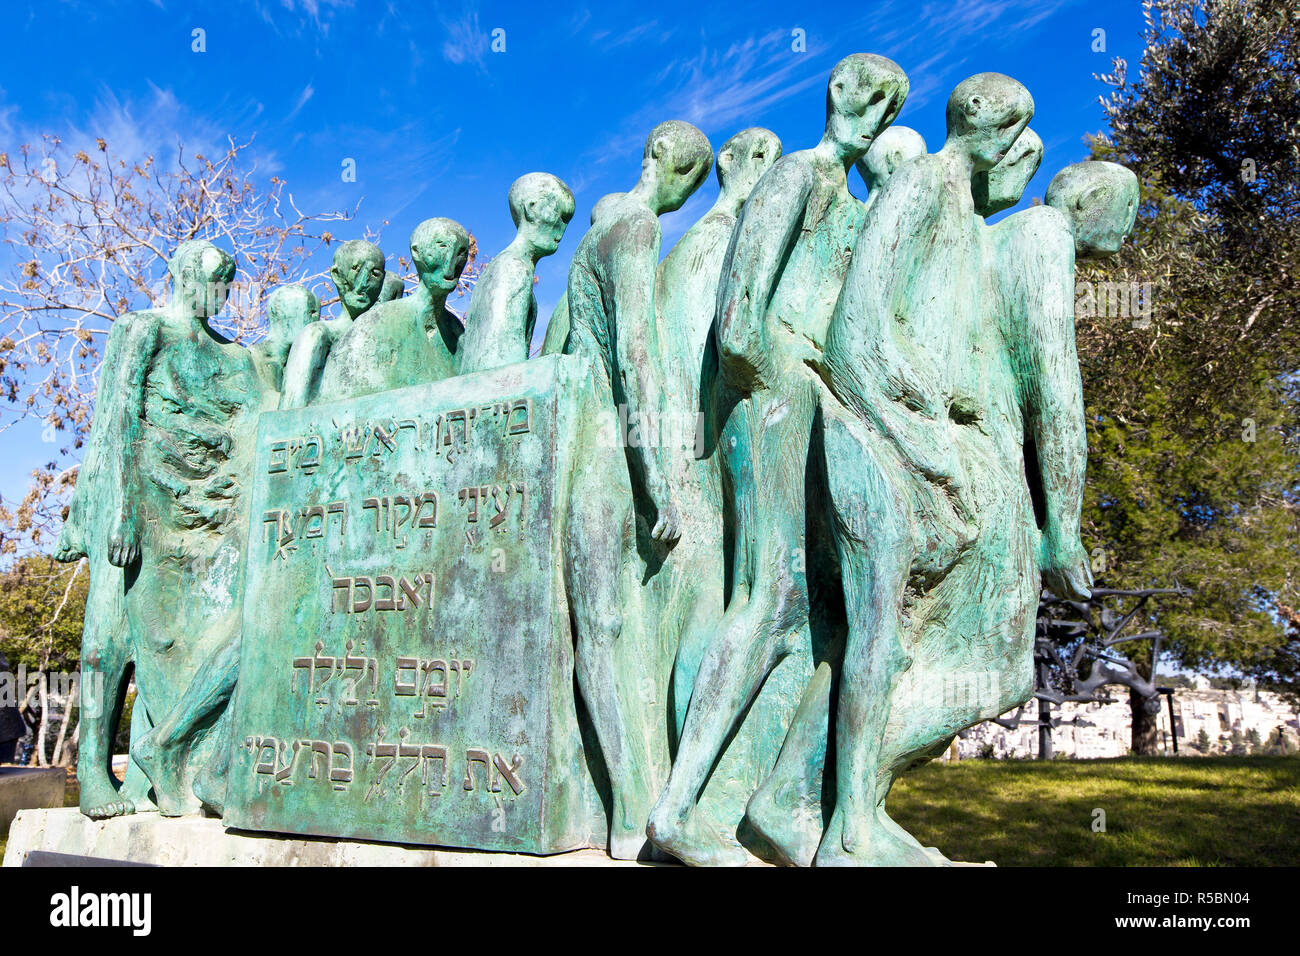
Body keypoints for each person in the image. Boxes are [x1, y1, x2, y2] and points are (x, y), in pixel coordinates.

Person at [647, 53, 909, 866]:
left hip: (815, 400)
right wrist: (783, 383)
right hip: (774, 398)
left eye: (889, 104)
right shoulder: (797, 174)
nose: (870, 113)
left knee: (809, 614)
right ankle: (678, 808)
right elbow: (737, 322)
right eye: (861, 95)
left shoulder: (853, 204)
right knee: (768, 598)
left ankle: (778, 806)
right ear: (834, 95)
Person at [563, 119, 713, 859]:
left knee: (605, 623)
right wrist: (660, 480)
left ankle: (631, 793)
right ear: (675, 169)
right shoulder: (635, 229)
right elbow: (635, 353)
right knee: (604, 623)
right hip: (603, 444)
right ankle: (628, 804)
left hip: (579, 436)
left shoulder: (595, 230)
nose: (686, 195)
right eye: (692, 178)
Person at [460, 173, 574, 374]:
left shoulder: (503, 266)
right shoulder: (513, 268)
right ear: (532, 209)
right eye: (561, 216)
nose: (562, 229)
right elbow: (501, 368)